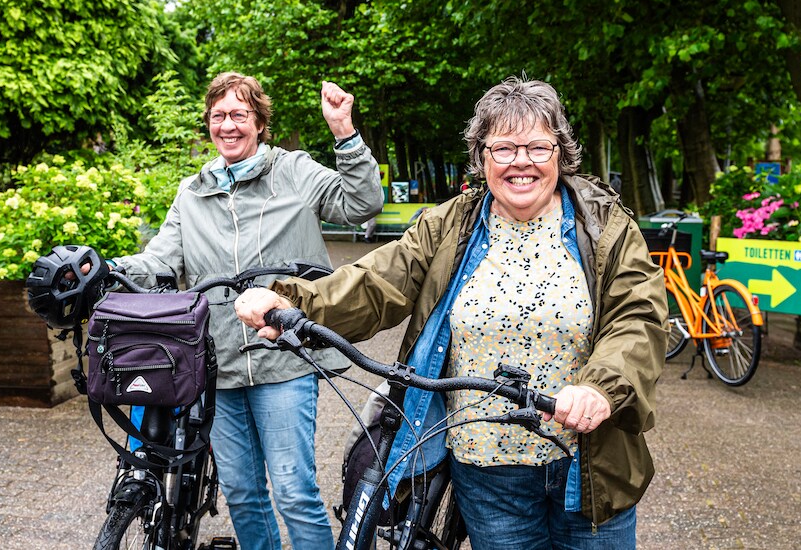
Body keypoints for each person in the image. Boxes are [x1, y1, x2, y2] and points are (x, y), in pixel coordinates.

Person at [235, 76, 666, 549]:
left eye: (537, 147)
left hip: (590, 465)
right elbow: (378, 279)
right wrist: (291, 301)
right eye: (503, 148)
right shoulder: (451, 224)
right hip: (485, 471)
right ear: (481, 157)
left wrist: (600, 387)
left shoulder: (604, 224)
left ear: (560, 153)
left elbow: (637, 317)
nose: (520, 161)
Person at [107, 72, 384, 549]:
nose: (228, 125)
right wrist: (102, 268)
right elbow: (159, 260)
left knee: (294, 492)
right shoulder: (191, 192)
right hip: (220, 364)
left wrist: (344, 132)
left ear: (259, 122)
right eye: (219, 116)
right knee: (242, 493)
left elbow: (362, 203)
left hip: (285, 356)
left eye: (239, 115)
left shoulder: (293, 170)